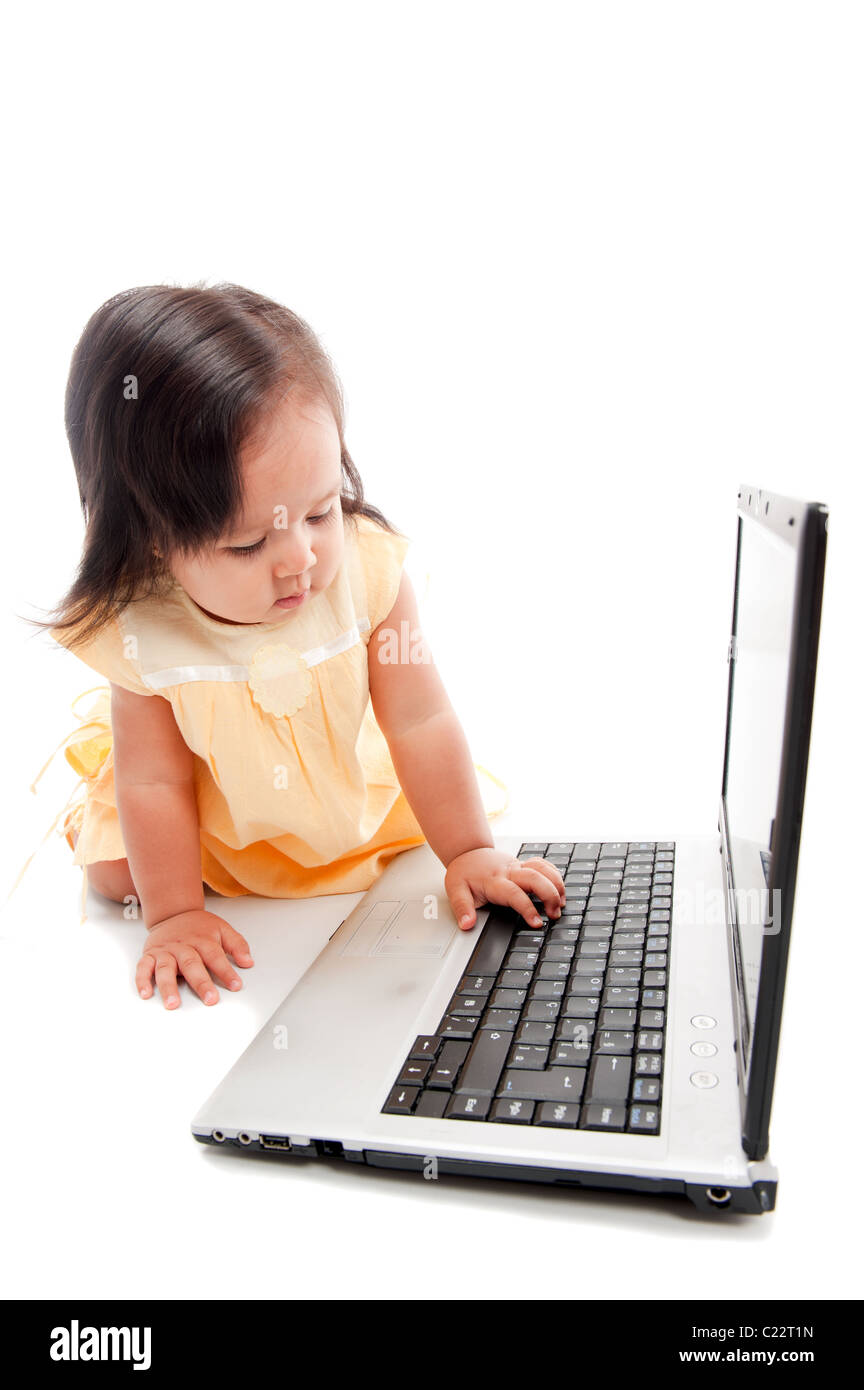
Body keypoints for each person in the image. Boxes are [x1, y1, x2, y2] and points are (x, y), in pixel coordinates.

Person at [24, 283, 566, 1009]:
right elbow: (156, 782)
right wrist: (177, 914)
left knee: (391, 850)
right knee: (118, 875)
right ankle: (120, 832)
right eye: (248, 543)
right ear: (153, 541)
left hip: (342, 789)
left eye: (319, 512)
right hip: (220, 820)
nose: (299, 560)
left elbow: (419, 719)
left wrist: (469, 849)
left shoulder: (369, 577)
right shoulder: (149, 634)